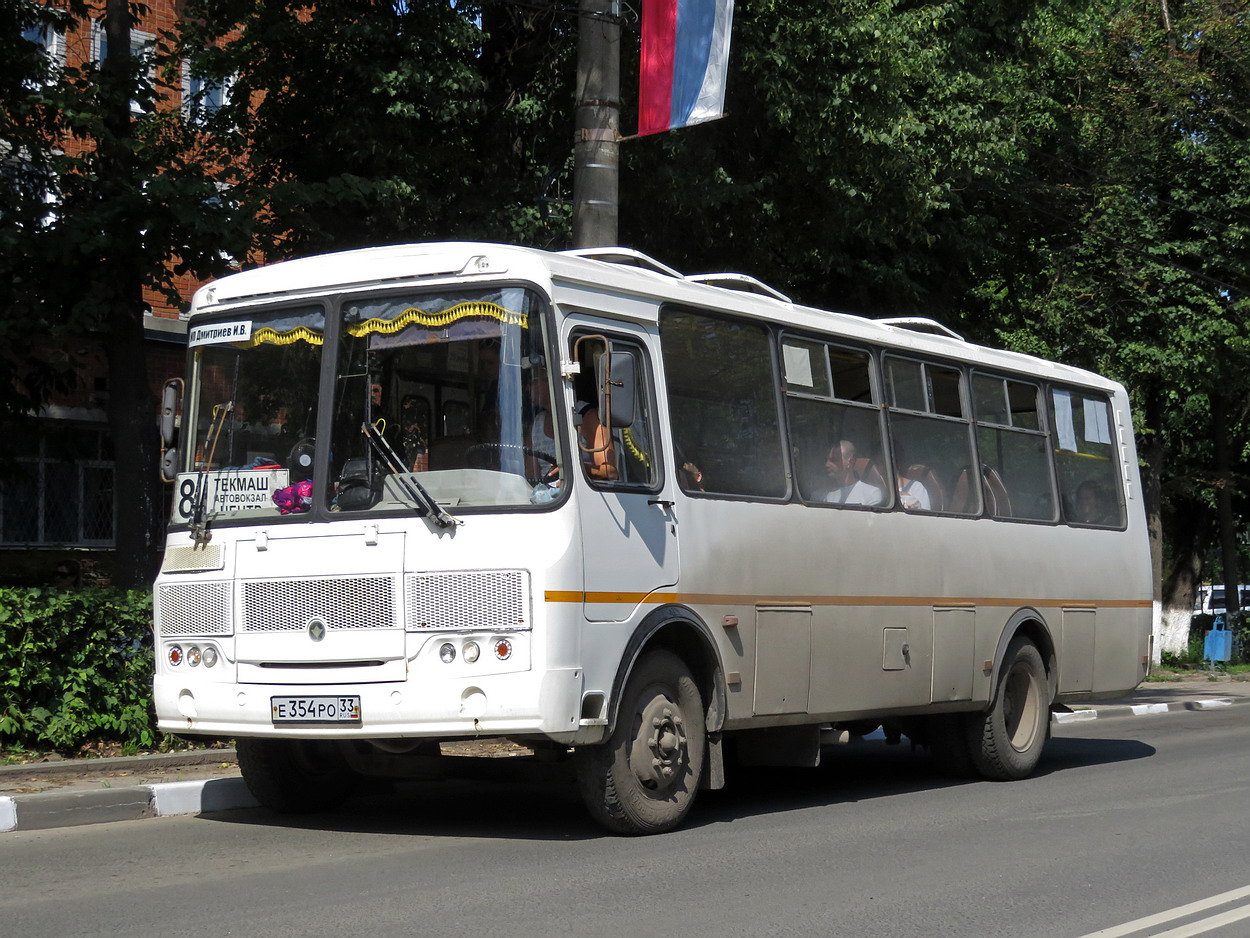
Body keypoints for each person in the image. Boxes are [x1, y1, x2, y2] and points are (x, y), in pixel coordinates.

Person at [822, 440, 884, 506]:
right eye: (826, 460)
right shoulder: (819, 496)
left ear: (850, 462)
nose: (827, 464)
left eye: (834, 460)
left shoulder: (871, 494)